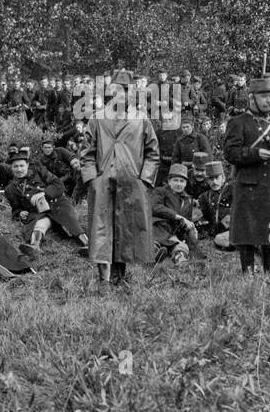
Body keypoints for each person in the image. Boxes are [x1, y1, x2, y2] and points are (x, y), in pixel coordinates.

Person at [84, 69, 161, 287]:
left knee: (125, 229)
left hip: (130, 182)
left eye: (125, 90)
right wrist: (93, 180)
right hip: (103, 182)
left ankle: (120, 275)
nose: (120, 94)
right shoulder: (97, 118)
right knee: (102, 230)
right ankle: (104, 281)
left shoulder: (140, 119)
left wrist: (144, 179)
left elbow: (153, 152)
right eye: (116, 90)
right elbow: (86, 152)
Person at [224, 75, 270, 275]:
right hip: (249, 186)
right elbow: (230, 153)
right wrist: (254, 153)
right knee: (248, 232)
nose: (269, 101)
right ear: (251, 99)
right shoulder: (237, 122)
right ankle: (248, 271)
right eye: (264, 97)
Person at [151, 163, 201, 266]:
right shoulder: (160, 191)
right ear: (169, 181)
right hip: (159, 228)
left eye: (182, 181)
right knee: (155, 242)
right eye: (175, 180)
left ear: (186, 183)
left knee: (181, 247)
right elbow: (155, 207)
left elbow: (186, 221)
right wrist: (177, 216)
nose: (178, 184)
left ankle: (180, 260)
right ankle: (154, 254)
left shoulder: (188, 200)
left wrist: (191, 228)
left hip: (173, 234)